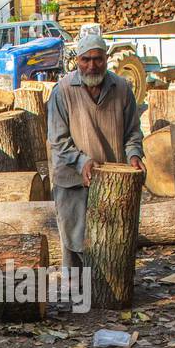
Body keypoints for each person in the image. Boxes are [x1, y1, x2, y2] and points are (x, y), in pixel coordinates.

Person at [47, 28, 144, 270]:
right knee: (75, 242)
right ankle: (78, 300)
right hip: (72, 178)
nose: (92, 65)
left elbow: (132, 131)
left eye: (98, 59)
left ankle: (107, 297)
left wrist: (134, 155)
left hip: (111, 180)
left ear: (106, 59)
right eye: (86, 59)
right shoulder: (63, 91)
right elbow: (58, 141)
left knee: (111, 243)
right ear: (77, 60)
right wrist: (82, 162)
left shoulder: (121, 88)